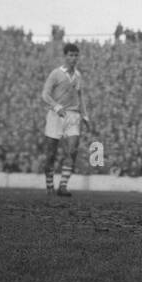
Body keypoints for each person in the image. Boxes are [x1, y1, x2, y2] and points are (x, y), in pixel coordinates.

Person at [41, 43, 91, 198]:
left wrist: (85, 114)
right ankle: (50, 186)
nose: (74, 58)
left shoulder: (78, 75)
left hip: (72, 115)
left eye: (76, 55)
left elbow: (80, 95)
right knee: (51, 153)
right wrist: (56, 106)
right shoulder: (56, 74)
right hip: (56, 115)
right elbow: (45, 94)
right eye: (71, 55)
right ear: (65, 56)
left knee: (73, 150)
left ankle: (63, 186)